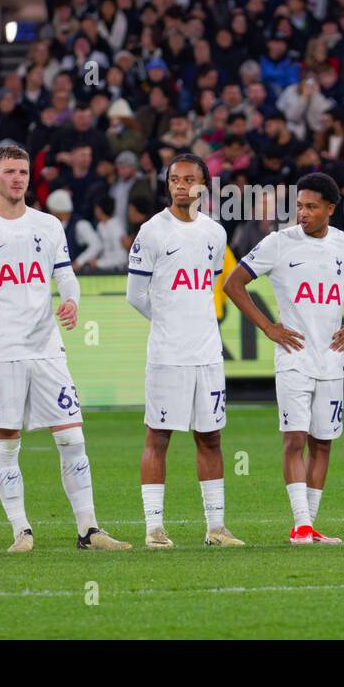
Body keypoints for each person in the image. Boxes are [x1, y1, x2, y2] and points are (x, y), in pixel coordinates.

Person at [0, 145, 130, 552]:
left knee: (72, 438)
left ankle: (89, 529)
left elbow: (66, 275)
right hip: (1, 350)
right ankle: (21, 530)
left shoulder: (49, 225)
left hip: (47, 349)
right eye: (9, 171)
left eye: (22, 171)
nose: (17, 178)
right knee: (6, 441)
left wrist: (72, 301)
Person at [224, 171, 344, 544]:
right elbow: (233, 283)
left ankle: (309, 526)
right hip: (293, 357)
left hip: (330, 360)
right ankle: (300, 524)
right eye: (299, 205)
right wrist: (269, 328)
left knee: (323, 442)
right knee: (294, 439)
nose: (303, 213)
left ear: (330, 209)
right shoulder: (279, 243)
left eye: (312, 207)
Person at [125, 153, 245, 549]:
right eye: (174, 179)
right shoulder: (152, 232)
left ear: (202, 186)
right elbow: (135, 295)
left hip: (207, 354)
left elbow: (208, 283)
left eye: (189, 179)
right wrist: (168, 322)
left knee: (210, 438)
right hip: (167, 355)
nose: (180, 185)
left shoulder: (214, 233)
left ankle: (216, 527)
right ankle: (154, 528)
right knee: (157, 438)